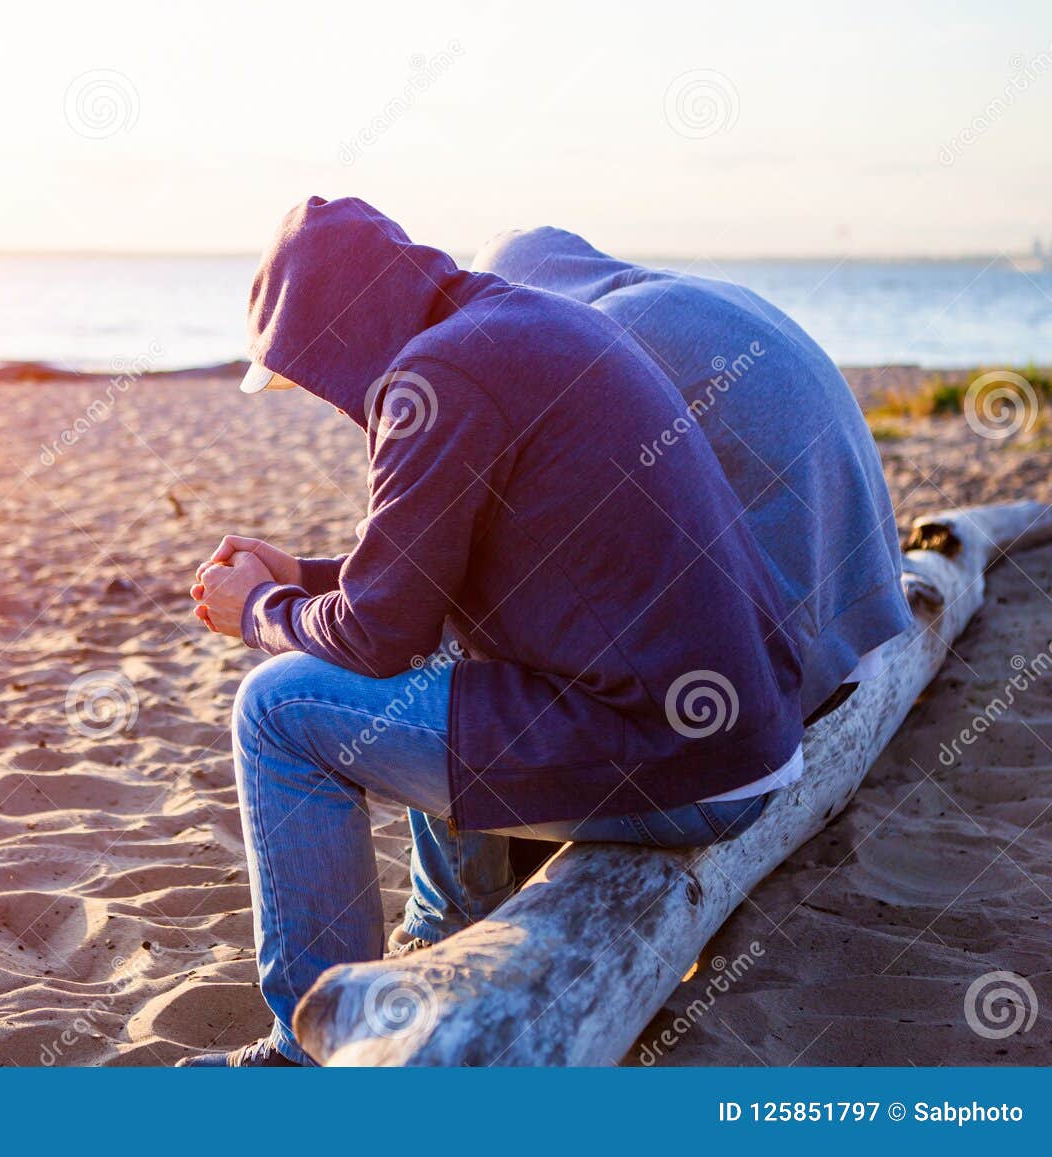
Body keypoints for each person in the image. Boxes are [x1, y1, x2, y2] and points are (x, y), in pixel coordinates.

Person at [175, 196, 804, 1067]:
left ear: (331, 336)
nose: (321, 399)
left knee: (275, 707)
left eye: (304, 374)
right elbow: (425, 578)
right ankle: (449, 932)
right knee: (439, 652)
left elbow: (376, 639)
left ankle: (305, 1053)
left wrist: (255, 612)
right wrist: (302, 576)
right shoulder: (512, 325)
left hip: (684, 765)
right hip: (744, 737)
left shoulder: (433, 382)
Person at [386, 228, 914, 960]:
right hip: (865, 637)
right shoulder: (695, 299)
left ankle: (441, 924)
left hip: (782, 692)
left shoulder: (589, 343)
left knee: (451, 613)